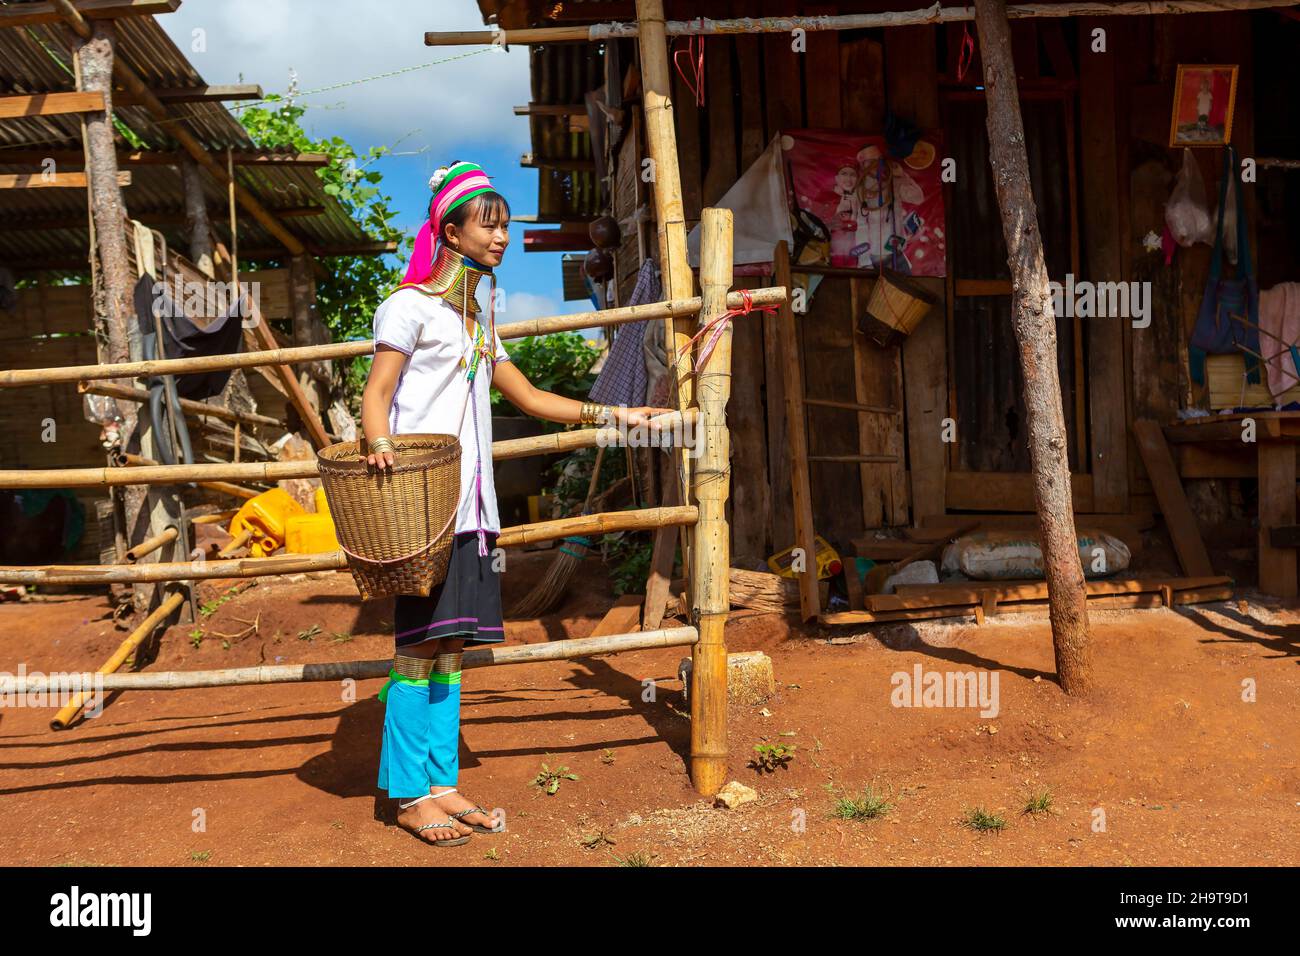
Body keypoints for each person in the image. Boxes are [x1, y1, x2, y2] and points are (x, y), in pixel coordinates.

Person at [360, 160, 672, 846]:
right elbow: (377, 394)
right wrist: (379, 449)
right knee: (417, 649)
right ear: (450, 230)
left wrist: (619, 415)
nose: (501, 238)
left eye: (504, 227)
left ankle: (441, 784)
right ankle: (409, 793)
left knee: (448, 649)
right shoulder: (407, 306)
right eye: (488, 226)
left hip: (474, 510)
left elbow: (528, 398)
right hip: (423, 505)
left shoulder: (476, 318)